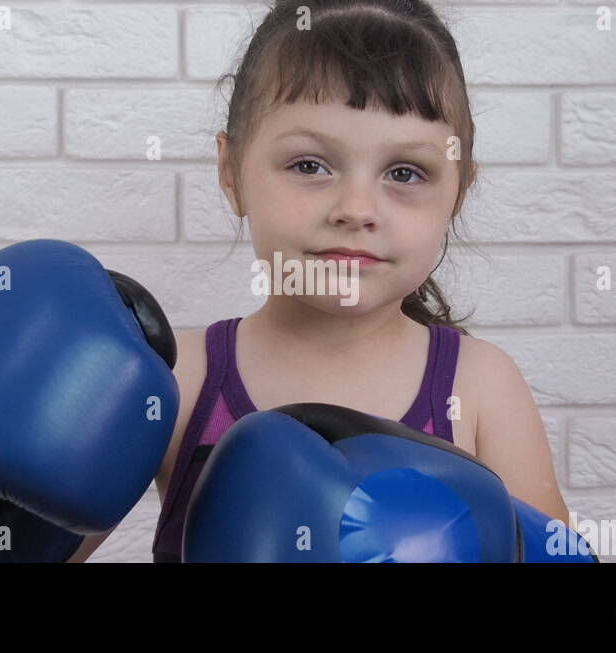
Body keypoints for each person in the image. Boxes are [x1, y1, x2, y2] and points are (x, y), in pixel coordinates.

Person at [67, 0, 570, 563]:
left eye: (405, 172)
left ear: (459, 191)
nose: (356, 209)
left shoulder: (478, 386)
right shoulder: (178, 379)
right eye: (310, 165)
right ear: (230, 172)